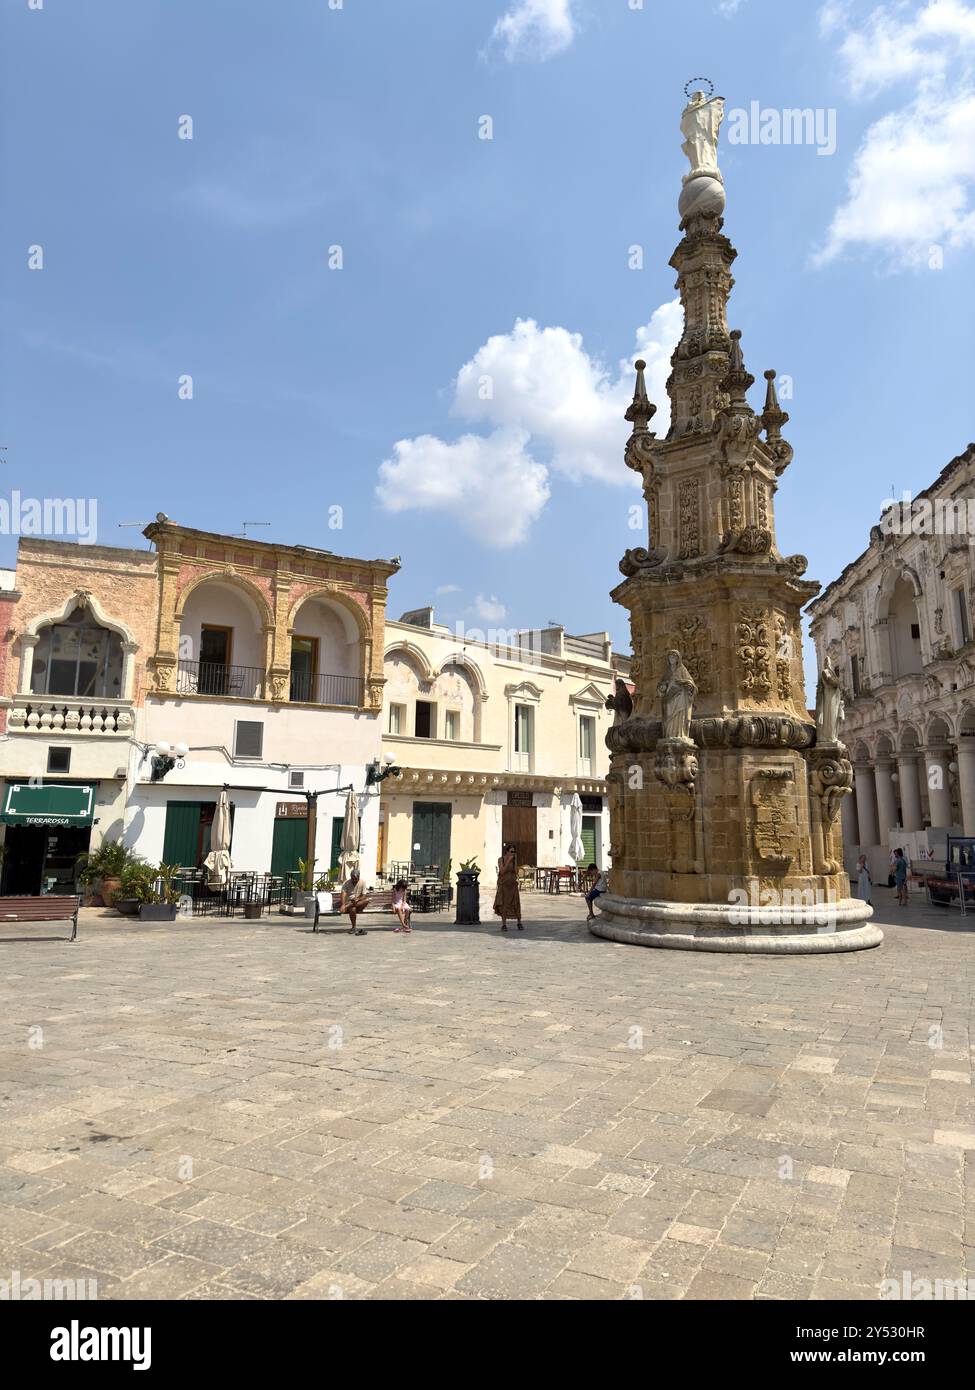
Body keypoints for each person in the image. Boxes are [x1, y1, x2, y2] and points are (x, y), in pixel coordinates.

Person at [493, 843, 522, 931]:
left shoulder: (514, 860)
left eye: (514, 852)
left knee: (516, 903)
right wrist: (509, 860)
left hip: (512, 885)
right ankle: (504, 924)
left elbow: (516, 872)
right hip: (504, 885)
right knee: (504, 904)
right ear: (507, 852)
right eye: (511, 851)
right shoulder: (501, 859)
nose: (513, 853)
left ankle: (519, 922)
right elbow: (502, 871)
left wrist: (515, 860)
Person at [339, 868, 370, 935]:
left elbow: (364, 895)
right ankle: (354, 927)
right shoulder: (346, 883)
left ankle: (348, 906)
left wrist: (357, 899)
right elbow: (343, 894)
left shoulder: (363, 882)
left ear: (359, 877)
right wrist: (343, 904)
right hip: (350, 903)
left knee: (367, 900)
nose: (354, 880)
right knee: (353, 909)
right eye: (353, 879)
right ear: (351, 877)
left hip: (358, 903)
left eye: (356, 879)